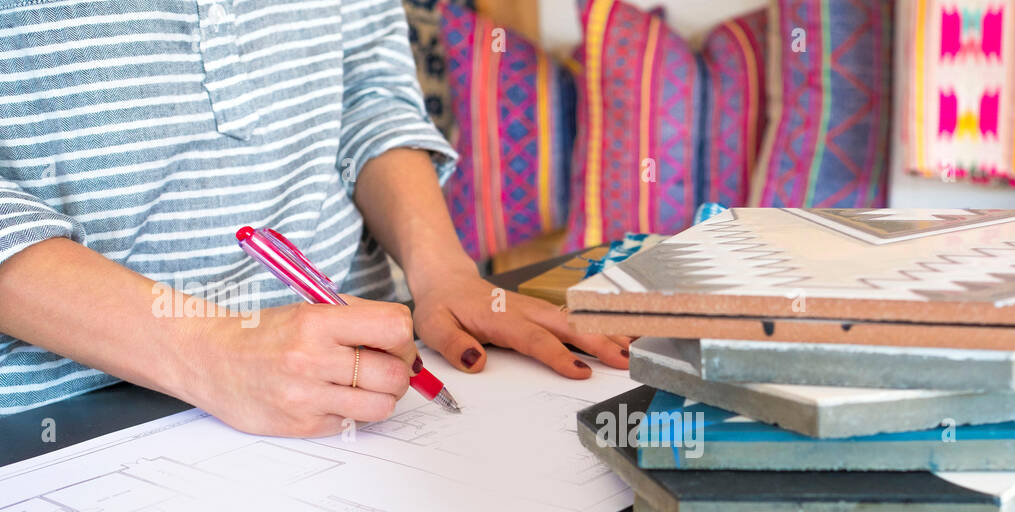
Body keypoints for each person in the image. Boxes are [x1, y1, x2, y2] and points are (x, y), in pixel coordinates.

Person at [0, 0, 627, 436]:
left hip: (366, 360)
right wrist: (212, 354)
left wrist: (442, 272)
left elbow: (367, 92)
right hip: (65, 423)